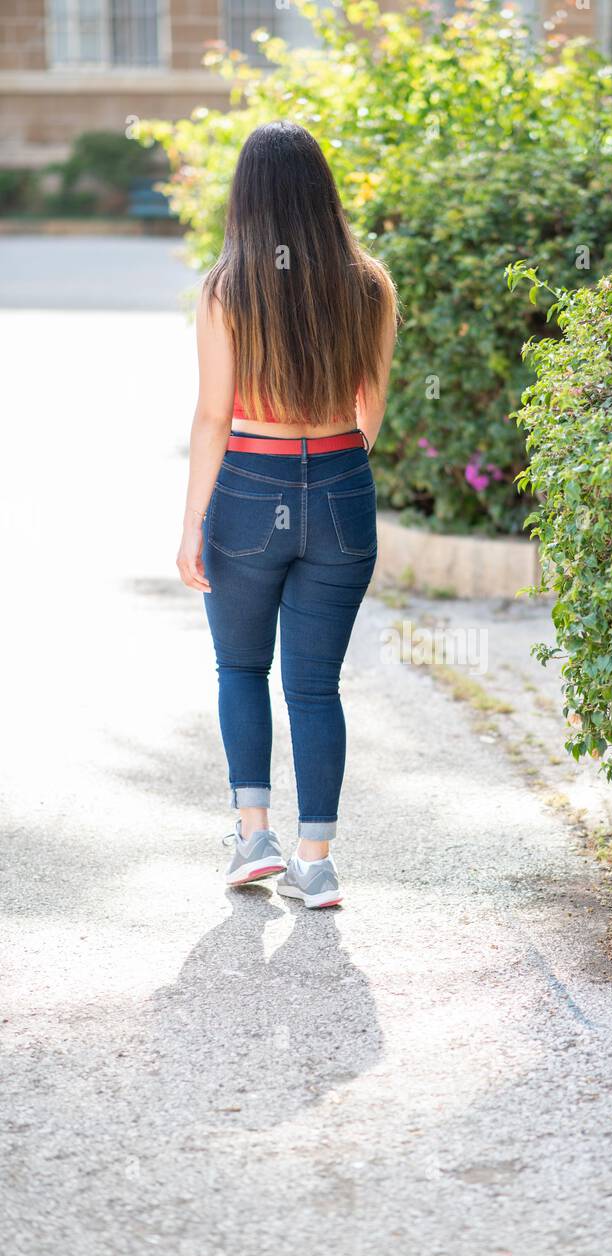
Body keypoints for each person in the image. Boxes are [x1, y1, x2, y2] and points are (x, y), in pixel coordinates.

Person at [176, 121, 397, 906]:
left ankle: (252, 838)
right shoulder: (368, 283)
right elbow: (370, 409)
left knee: (241, 667)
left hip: (247, 486)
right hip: (341, 484)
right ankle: (316, 861)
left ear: (247, 198)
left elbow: (211, 417)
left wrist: (192, 522)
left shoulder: (227, 288)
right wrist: (333, 466)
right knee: (315, 686)